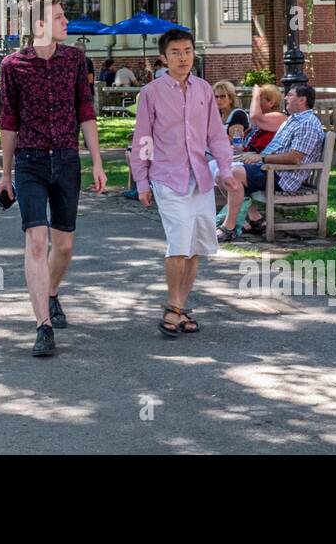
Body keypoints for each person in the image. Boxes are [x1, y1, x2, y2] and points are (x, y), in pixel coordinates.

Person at [0, 0, 107, 358]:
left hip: (65, 159)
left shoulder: (75, 60)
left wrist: (97, 162)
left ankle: (52, 291)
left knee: (64, 246)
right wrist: (5, 174)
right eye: (59, 18)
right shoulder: (13, 66)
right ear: (39, 25)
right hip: (30, 162)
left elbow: (86, 111)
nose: (66, 23)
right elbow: (9, 121)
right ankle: (43, 325)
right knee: (37, 242)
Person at [130, 29, 238, 338]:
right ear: (164, 57)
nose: (183, 57)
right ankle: (173, 308)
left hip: (200, 178)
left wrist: (225, 170)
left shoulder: (204, 90)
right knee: (178, 243)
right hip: (167, 177)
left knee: (195, 248)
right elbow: (144, 139)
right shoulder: (152, 92)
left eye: (188, 50)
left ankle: (180, 307)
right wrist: (142, 181)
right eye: (176, 52)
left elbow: (216, 135)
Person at [219, 85, 325, 237]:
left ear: (302, 100)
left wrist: (261, 157)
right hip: (269, 168)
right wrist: (250, 155)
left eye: (290, 95)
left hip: (283, 176)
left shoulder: (307, 123)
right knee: (221, 173)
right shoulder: (293, 120)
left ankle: (228, 228)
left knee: (233, 174)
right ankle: (256, 220)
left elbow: (295, 158)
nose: (286, 98)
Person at [244, 83, 288, 153]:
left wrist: (256, 95)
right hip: (250, 159)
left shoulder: (280, 117)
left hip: (268, 161)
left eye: (260, 97)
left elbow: (255, 117)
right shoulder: (259, 120)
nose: (255, 101)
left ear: (271, 103)